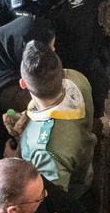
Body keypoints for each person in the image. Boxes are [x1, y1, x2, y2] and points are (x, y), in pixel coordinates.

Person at [12, 38, 96, 194]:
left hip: (75, 184)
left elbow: (56, 195)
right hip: (84, 154)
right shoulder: (77, 78)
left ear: (23, 83)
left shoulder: (45, 151)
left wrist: (16, 162)